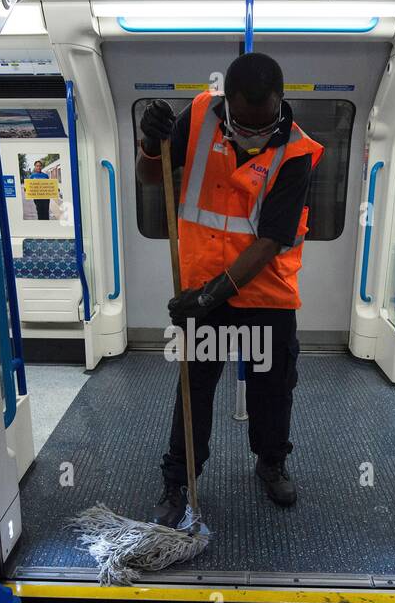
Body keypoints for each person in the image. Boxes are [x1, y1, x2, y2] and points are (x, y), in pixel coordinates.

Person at [136, 52, 322, 527]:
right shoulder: (198, 114)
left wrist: (209, 296)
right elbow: (149, 175)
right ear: (227, 105)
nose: (254, 131)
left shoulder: (297, 152)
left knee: (272, 389)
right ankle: (178, 479)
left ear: (280, 104)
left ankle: (271, 461)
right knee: (193, 390)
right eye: (244, 122)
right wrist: (150, 144)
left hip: (266, 294)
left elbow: (271, 240)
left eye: (265, 122)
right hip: (202, 285)